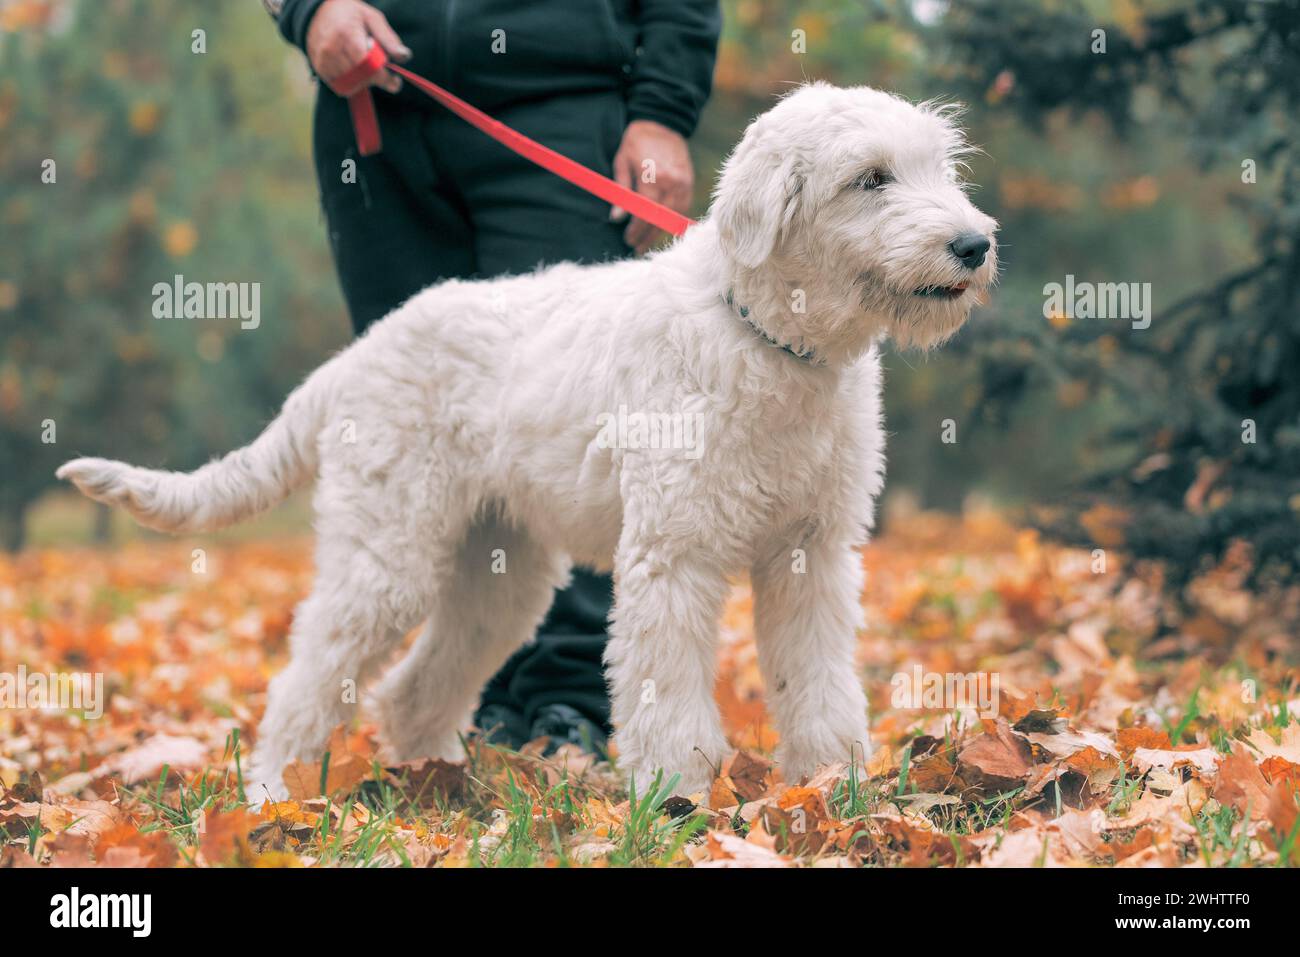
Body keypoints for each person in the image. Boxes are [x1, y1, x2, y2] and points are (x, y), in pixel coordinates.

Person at [261, 0, 721, 753]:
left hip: (563, 105)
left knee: (578, 438)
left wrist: (663, 109)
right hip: (371, 113)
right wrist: (310, 9)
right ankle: (464, 716)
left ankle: (572, 711)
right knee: (419, 468)